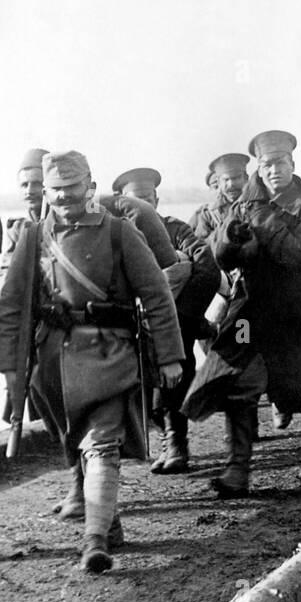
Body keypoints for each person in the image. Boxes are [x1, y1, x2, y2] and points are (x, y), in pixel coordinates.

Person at [0, 151, 185, 573]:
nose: (63, 196)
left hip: (109, 353)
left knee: (101, 445)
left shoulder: (118, 232)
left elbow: (156, 294)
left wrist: (170, 355)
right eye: (55, 189)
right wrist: (10, 368)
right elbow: (10, 307)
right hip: (53, 363)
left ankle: (94, 540)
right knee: (77, 443)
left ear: (90, 187)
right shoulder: (32, 237)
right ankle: (107, 521)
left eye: (72, 187)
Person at [183, 130, 301, 494]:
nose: (274, 170)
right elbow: (222, 260)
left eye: (281, 163)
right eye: (267, 165)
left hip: (300, 305)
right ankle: (238, 469)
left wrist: (261, 217)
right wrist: (230, 239)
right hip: (251, 310)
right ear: (260, 169)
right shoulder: (242, 206)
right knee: (238, 380)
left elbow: (298, 254)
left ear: (292, 164)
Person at [112, 166, 220, 474]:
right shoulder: (112, 235)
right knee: (133, 381)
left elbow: (207, 267)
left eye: (147, 198)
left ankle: (175, 443)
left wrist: (182, 316)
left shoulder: (175, 230)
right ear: (122, 202)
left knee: (173, 376)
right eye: (135, 200)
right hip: (129, 323)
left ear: (157, 200)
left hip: (172, 320)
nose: (142, 206)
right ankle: (152, 438)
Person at [0, 147, 48, 292]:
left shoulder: (67, 223)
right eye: (24, 185)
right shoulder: (18, 228)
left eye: (37, 183)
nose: (29, 191)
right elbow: (6, 269)